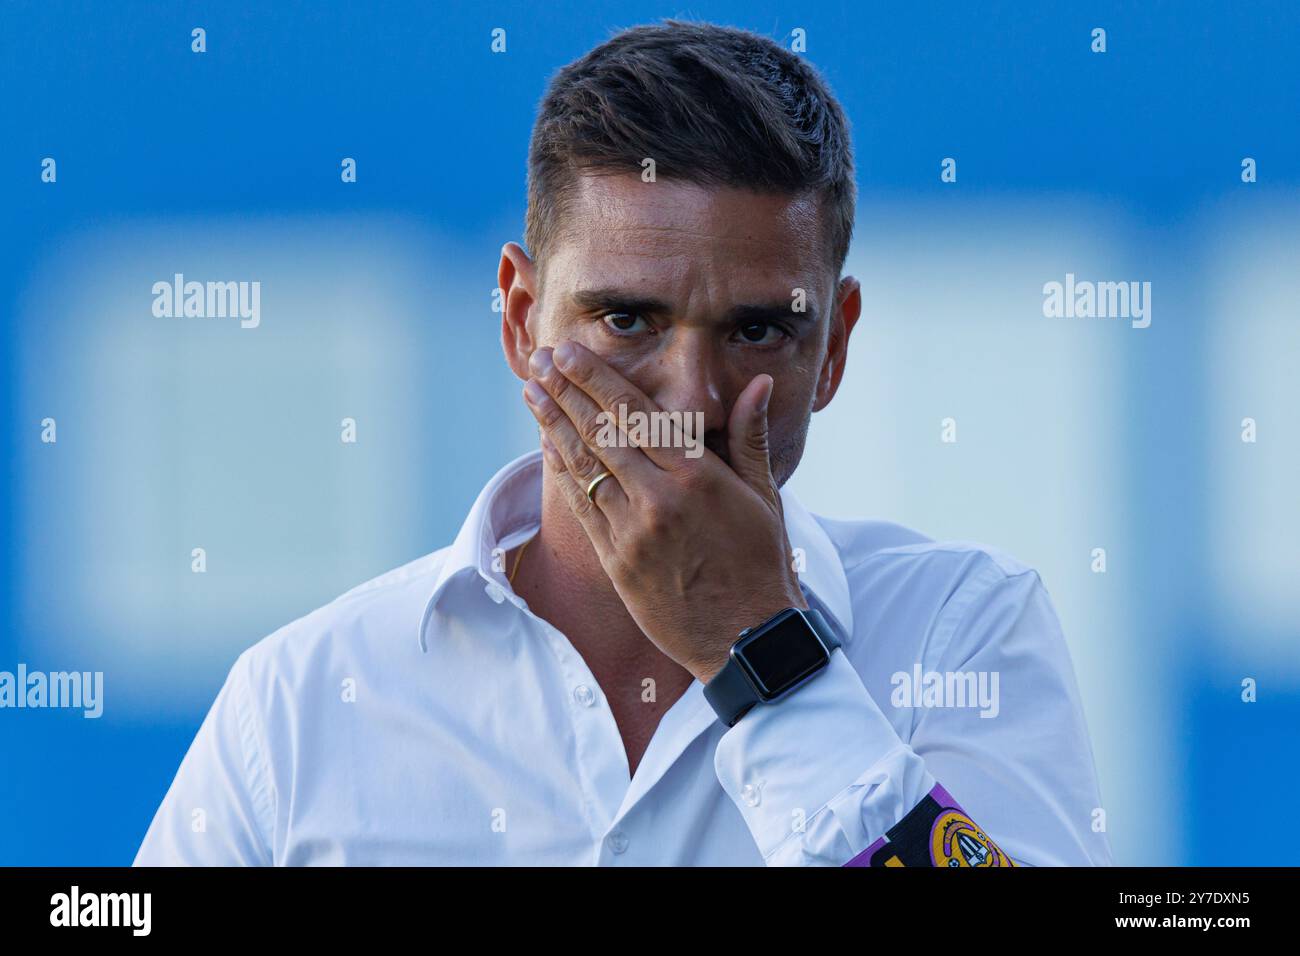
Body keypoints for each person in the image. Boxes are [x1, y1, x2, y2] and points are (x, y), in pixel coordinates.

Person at [134, 19, 1111, 867]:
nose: (689, 396)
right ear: (521, 319)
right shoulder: (302, 702)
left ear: (835, 345)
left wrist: (764, 653)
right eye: (628, 321)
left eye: (758, 328)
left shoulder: (961, 626)